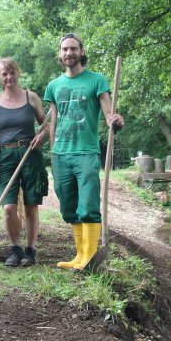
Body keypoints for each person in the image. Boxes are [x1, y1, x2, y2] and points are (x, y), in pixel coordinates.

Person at [44, 33, 123, 271]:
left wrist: (116, 121)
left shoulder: (96, 80)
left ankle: (89, 257)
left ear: (81, 51)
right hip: (61, 155)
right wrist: (52, 149)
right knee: (68, 207)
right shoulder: (54, 86)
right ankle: (79, 256)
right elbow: (54, 121)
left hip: (86, 152)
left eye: (73, 49)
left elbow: (110, 115)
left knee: (87, 205)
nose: (68, 53)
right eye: (64, 49)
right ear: (60, 54)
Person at [0, 58, 49, 267]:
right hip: (5, 157)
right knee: (8, 207)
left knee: (31, 205)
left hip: (30, 155)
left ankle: (30, 251)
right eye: (4, 74)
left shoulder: (31, 97)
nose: (9, 77)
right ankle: (15, 248)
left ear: (18, 73)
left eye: (12, 72)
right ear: (0, 77)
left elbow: (46, 125)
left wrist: (42, 136)